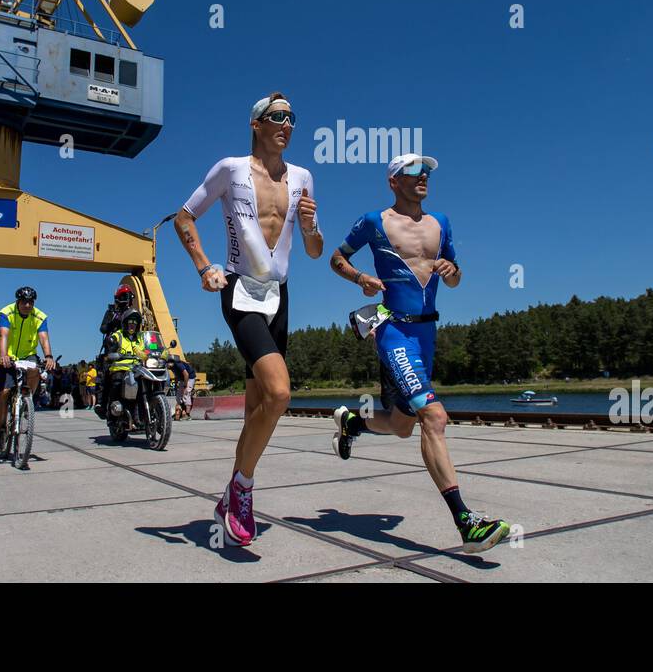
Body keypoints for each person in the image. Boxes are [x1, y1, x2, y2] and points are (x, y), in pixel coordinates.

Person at [329, 154, 510, 554]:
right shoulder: (374, 221)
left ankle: (353, 424)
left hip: (427, 330)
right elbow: (336, 258)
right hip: (392, 329)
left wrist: (452, 270)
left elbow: (457, 276)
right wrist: (360, 277)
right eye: (413, 172)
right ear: (394, 181)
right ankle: (467, 524)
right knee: (434, 416)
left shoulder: (440, 223)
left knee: (401, 425)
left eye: (426, 171)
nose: (423, 176)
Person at [174, 92, 321, 546]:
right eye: (277, 116)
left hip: (280, 296)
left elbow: (313, 251)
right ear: (256, 124)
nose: (286, 124)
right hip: (240, 291)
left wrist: (312, 226)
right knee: (279, 393)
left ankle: (232, 496)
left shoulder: (302, 178)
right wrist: (204, 267)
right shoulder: (231, 169)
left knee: (258, 410)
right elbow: (184, 218)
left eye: (292, 117)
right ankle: (243, 487)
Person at [0, 286, 57, 457]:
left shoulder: (39, 316)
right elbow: (3, 335)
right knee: (4, 393)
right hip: (7, 357)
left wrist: (49, 356)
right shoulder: (6, 313)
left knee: (36, 369)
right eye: (24, 302)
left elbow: (43, 337)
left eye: (31, 302)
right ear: (18, 302)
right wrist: (4, 355)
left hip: (27, 354)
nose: (27, 305)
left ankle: (28, 399)